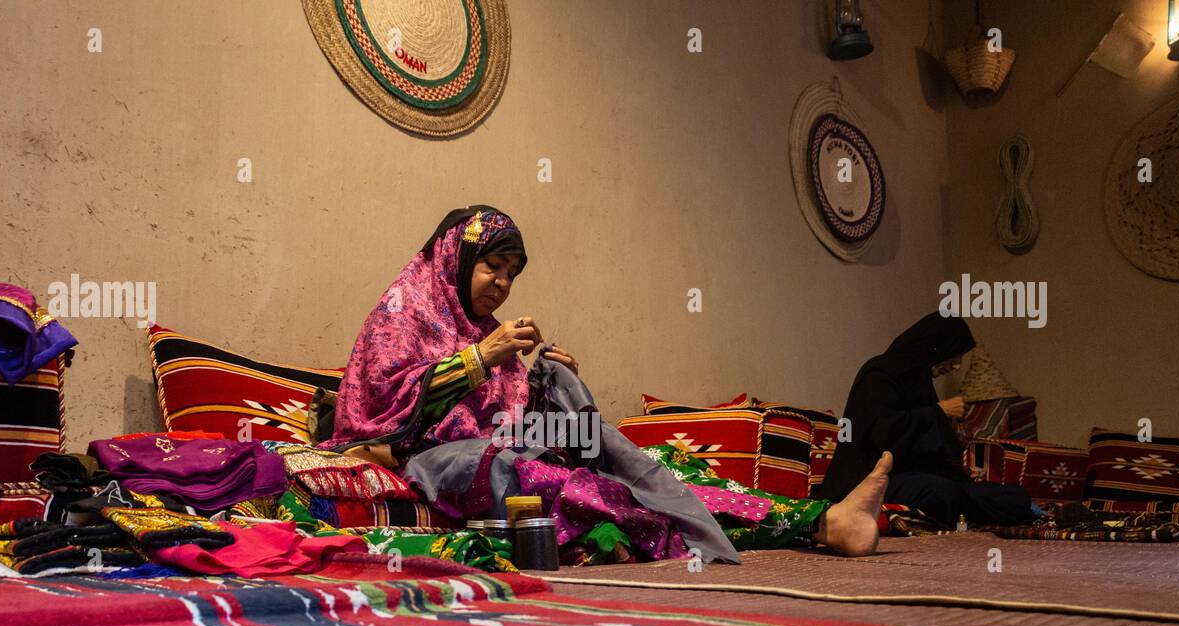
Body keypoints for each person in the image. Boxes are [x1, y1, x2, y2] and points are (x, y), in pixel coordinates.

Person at [328, 204, 891, 562]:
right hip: (435, 459)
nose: (501, 283)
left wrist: (554, 383)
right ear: (457, 258)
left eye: (510, 273)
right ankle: (805, 527)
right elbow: (382, 409)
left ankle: (822, 520)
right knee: (541, 475)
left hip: (493, 445)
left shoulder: (486, 331)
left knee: (653, 466)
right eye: (491, 267)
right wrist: (479, 358)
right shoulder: (402, 313)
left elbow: (514, 416)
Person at [821, 311, 1034, 526]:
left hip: (906, 475)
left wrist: (957, 469)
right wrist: (938, 412)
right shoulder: (878, 375)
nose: (956, 366)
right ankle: (1016, 512)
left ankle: (1024, 508)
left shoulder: (918, 382)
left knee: (992, 491)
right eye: (954, 355)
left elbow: (923, 448)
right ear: (935, 346)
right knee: (943, 491)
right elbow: (884, 436)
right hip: (866, 478)